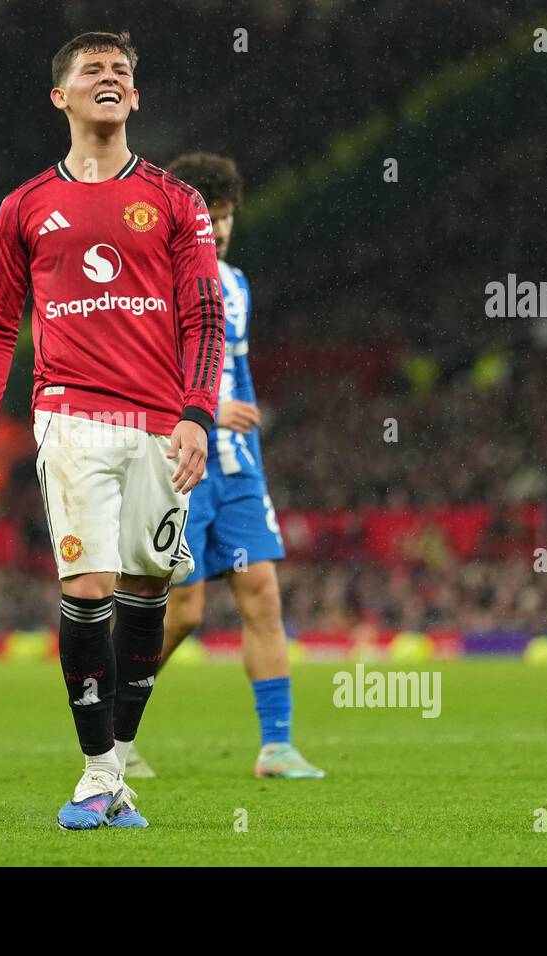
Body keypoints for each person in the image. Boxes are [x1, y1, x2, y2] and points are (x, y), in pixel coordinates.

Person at [0, 32, 223, 828]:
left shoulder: (178, 202)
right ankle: (96, 771)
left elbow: (205, 317)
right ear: (61, 98)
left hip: (158, 423)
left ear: (135, 99)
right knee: (87, 586)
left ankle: (114, 759)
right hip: (69, 415)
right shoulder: (26, 206)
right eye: (92, 72)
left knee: (149, 592)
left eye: (121, 73)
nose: (108, 80)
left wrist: (197, 414)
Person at [126, 153, 325, 780]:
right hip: (177, 464)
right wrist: (211, 405)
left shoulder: (236, 285)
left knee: (262, 594)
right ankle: (111, 719)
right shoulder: (151, 284)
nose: (220, 229)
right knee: (182, 611)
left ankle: (277, 746)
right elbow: (141, 374)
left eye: (228, 217)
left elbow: (231, 363)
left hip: (239, 468)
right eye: (209, 218)